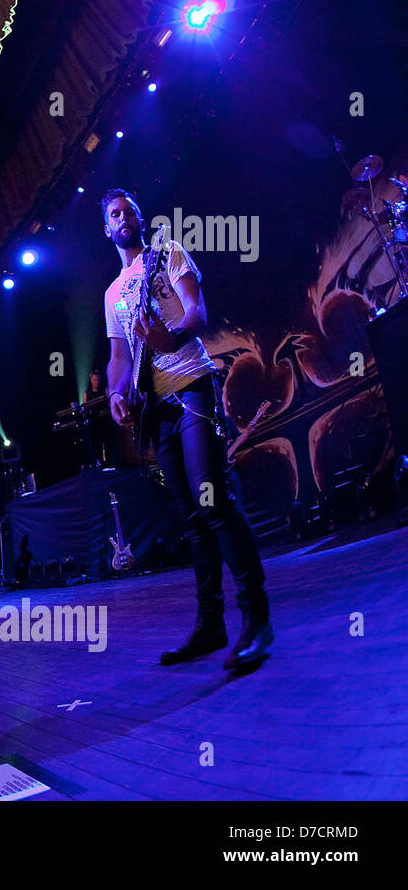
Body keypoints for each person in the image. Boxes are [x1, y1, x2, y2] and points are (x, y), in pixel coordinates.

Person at [100, 188, 271, 669]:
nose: (124, 218)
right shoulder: (112, 294)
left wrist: (171, 335)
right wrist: (116, 393)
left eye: (130, 210)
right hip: (155, 406)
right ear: (107, 229)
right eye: (115, 214)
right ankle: (210, 625)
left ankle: (256, 620)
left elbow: (198, 312)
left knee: (213, 501)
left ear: (139, 218)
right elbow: (118, 357)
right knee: (191, 518)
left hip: (192, 384)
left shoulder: (167, 252)